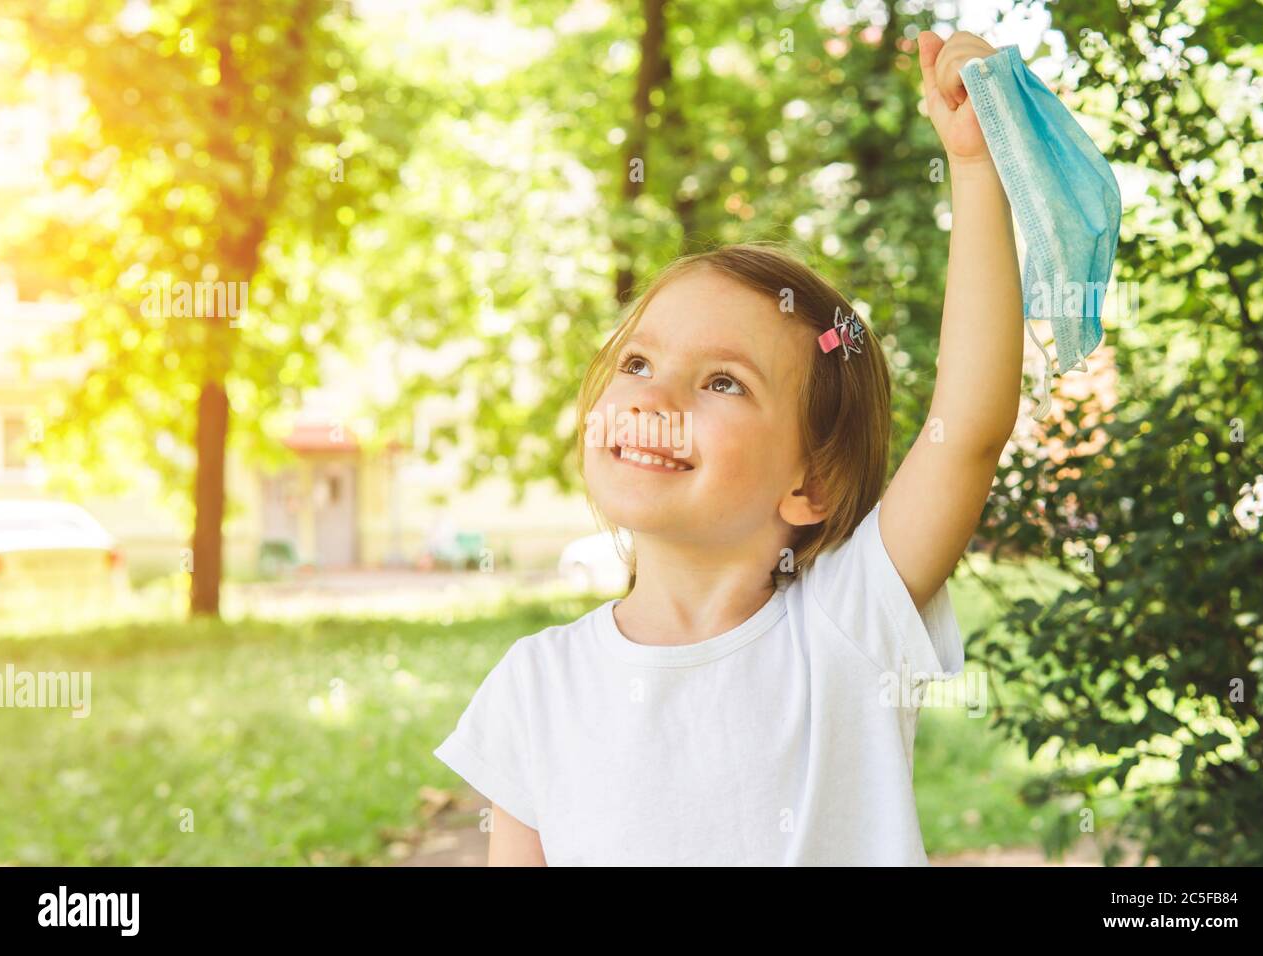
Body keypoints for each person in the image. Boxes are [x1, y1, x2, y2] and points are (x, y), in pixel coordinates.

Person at [434, 30, 1022, 865]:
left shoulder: (846, 626)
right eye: (638, 361)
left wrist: (974, 169)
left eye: (723, 383)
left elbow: (966, 430)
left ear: (809, 482)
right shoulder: (536, 687)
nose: (653, 395)